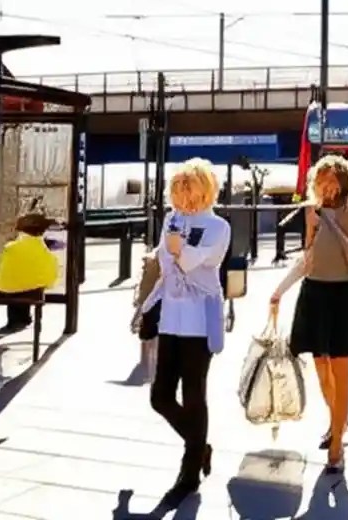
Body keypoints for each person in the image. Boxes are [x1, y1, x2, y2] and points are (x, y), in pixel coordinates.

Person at [140, 158, 231, 502]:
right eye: (177, 190)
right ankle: (199, 444)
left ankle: (189, 471)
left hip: (200, 319)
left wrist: (178, 248)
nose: (182, 196)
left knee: (194, 394)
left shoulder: (219, 226)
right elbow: (166, 269)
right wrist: (148, 309)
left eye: (188, 189)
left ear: (205, 190)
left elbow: (196, 262)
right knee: (160, 395)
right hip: (172, 319)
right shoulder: (171, 220)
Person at [270, 154, 348, 473]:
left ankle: (337, 442)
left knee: (341, 369)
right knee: (320, 367)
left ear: (343, 182)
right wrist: (280, 290)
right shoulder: (312, 211)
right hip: (315, 292)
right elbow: (309, 257)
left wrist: (330, 222)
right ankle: (336, 419)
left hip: (344, 294)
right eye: (321, 181)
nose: (326, 187)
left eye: (331, 181)